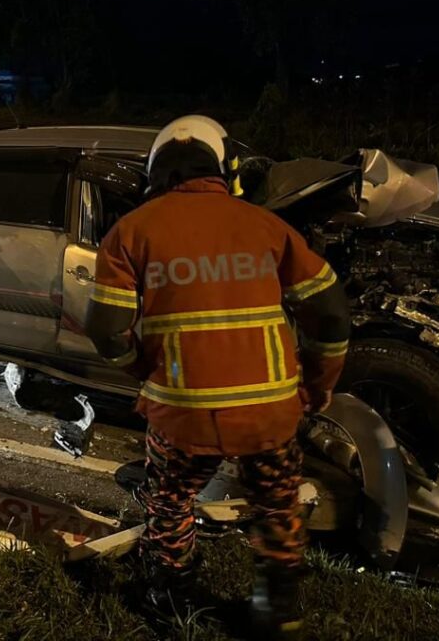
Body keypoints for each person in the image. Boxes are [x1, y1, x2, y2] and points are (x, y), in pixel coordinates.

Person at [86, 115, 350, 639]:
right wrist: (317, 385)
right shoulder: (267, 226)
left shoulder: (131, 232)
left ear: (155, 175)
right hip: (269, 416)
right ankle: (276, 610)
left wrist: (142, 369)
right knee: (275, 502)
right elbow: (332, 317)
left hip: (182, 416)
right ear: (226, 169)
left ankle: (170, 595)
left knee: (170, 498)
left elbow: (107, 331)